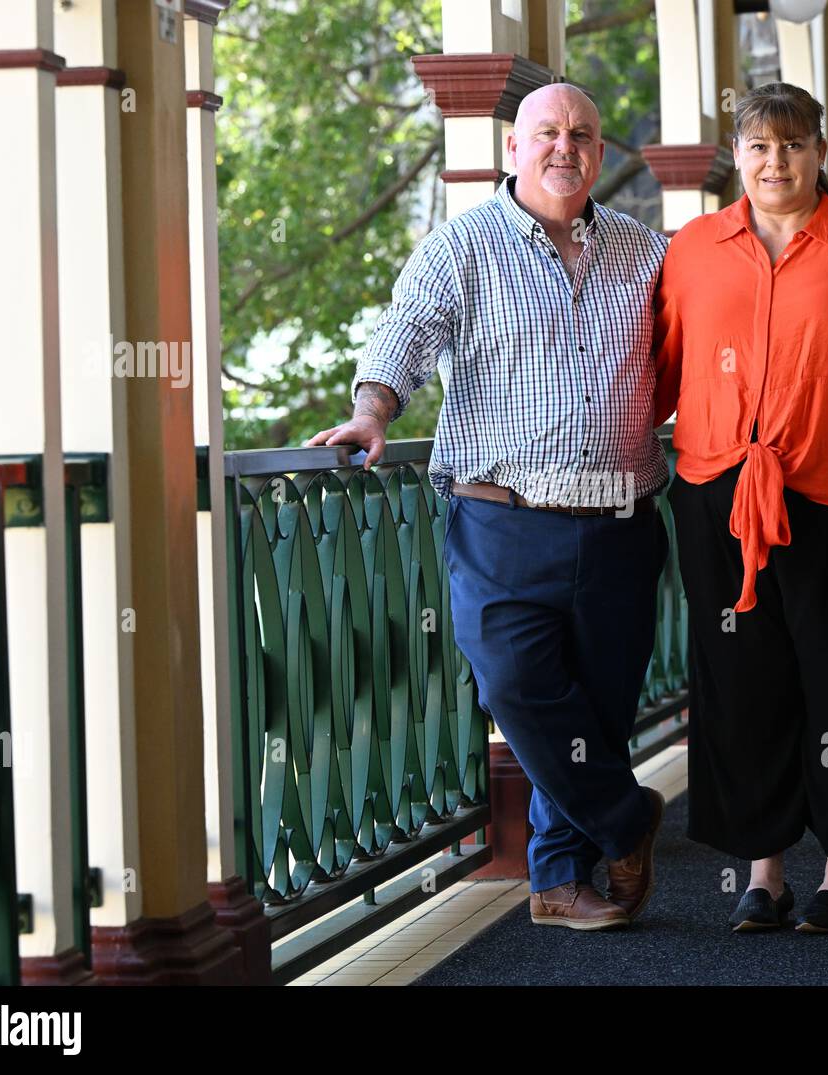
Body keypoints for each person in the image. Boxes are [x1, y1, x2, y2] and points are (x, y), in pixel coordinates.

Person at [308, 84, 670, 931]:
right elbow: (407, 331)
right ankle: (624, 820)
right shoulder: (460, 246)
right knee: (516, 685)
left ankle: (556, 880)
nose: (564, 147)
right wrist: (373, 410)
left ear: (602, 149)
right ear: (514, 148)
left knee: (599, 710)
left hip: (622, 522)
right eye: (546, 132)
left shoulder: (648, 252)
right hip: (501, 520)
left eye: (582, 133)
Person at [653, 82, 828, 934]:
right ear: (738, 155)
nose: (777, 161)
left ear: (819, 153)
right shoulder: (692, 247)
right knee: (742, 683)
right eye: (761, 147)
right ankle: (761, 870)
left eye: (794, 145)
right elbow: (661, 367)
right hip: (717, 493)